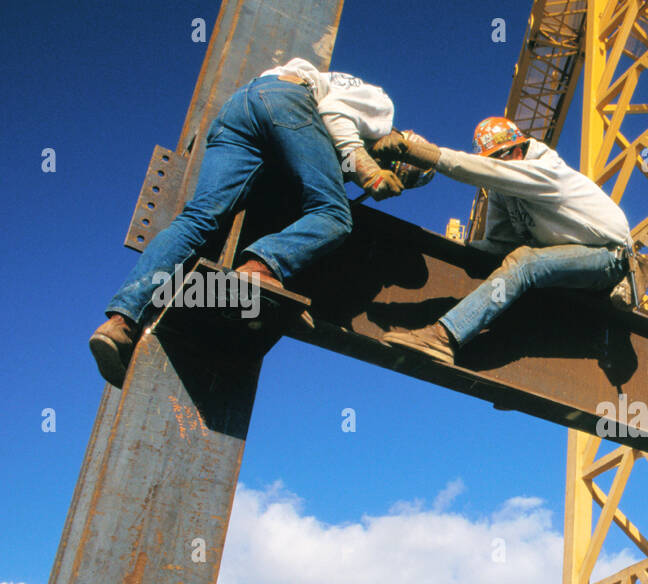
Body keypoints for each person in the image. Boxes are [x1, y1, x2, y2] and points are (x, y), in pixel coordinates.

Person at [89, 57, 410, 386]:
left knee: (200, 218)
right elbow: (333, 114)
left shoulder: (334, 119)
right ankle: (258, 269)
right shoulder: (382, 110)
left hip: (240, 108)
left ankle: (120, 322)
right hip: (287, 100)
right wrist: (369, 172)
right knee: (334, 214)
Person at [373, 116, 632, 364]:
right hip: (569, 265)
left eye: (502, 155)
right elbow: (497, 245)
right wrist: (457, 254)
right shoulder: (503, 192)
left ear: (519, 149)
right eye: (493, 159)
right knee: (507, 262)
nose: (499, 163)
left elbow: (482, 172)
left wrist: (420, 152)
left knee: (525, 263)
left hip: (609, 258)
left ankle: (443, 338)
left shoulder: (545, 170)